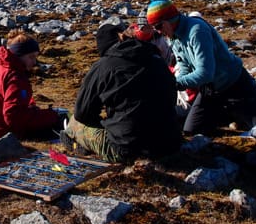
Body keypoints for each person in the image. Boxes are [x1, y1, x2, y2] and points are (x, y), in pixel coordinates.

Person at [146, 0, 256, 136]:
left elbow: (205, 73)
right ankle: (227, 113)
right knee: (191, 131)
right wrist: (175, 81)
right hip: (210, 89)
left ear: (168, 21)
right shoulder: (174, 36)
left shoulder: (196, 31)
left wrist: (175, 84)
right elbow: (183, 64)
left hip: (233, 84)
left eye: (158, 27)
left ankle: (240, 109)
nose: (159, 32)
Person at [61, 23, 182, 163]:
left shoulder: (104, 65)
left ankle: (74, 140)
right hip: (170, 144)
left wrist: (105, 122)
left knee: (74, 122)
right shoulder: (156, 59)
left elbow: (82, 113)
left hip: (127, 150)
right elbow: (172, 98)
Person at [0, 30, 64, 145]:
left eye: (35, 57)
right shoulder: (15, 78)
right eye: (31, 57)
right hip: (1, 137)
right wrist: (52, 115)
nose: (34, 61)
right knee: (59, 127)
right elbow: (15, 118)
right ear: (18, 55)